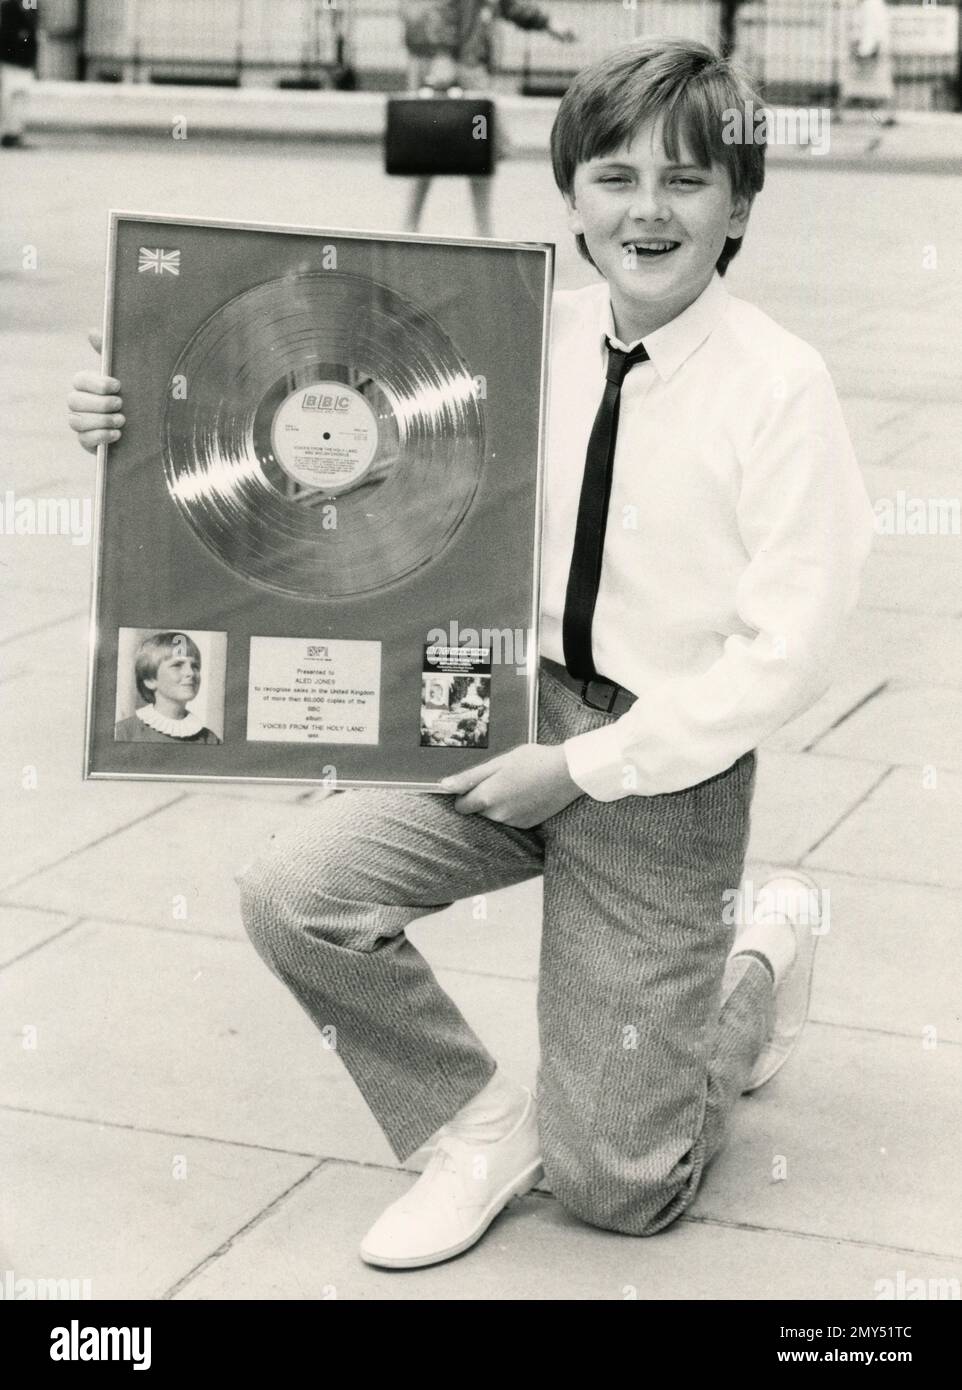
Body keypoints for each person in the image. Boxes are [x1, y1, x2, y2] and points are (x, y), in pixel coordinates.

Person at [67, 38, 876, 1270]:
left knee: (617, 1185)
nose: (645, 210)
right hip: (493, 701)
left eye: (685, 180)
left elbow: (789, 648)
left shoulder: (778, 385)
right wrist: (134, 414)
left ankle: (752, 965)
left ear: (739, 206)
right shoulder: (511, 336)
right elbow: (324, 445)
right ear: (572, 201)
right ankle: (473, 1126)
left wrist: (590, 766)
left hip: (666, 764)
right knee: (293, 892)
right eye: (613, 177)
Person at [400, 0, 575, 235]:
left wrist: (546, 22)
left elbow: (505, 4)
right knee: (452, 144)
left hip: (465, 60)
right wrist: (442, 54)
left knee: (466, 146)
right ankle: (471, 231)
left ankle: (425, 227)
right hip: (455, 61)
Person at [114, 631, 222, 744]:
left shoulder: (210, 739)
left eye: (195, 666)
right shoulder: (124, 733)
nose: (190, 673)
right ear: (150, 680)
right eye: (177, 665)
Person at [838, 0, 897, 127]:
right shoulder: (867, 5)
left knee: (872, 82)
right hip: (870, 49)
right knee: (861, 83)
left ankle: (890, 114)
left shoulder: (872, 5)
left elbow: (871, 30)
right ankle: (890, 114)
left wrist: (864, 51)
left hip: (871, 51)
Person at [0, 0, 38, 149]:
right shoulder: (8, 6)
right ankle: (9, 133)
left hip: (24, 60)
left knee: (20, 97)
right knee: (10, 97)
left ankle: (15, 132)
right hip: (11, 60)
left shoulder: (31, 3)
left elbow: (31, 27)